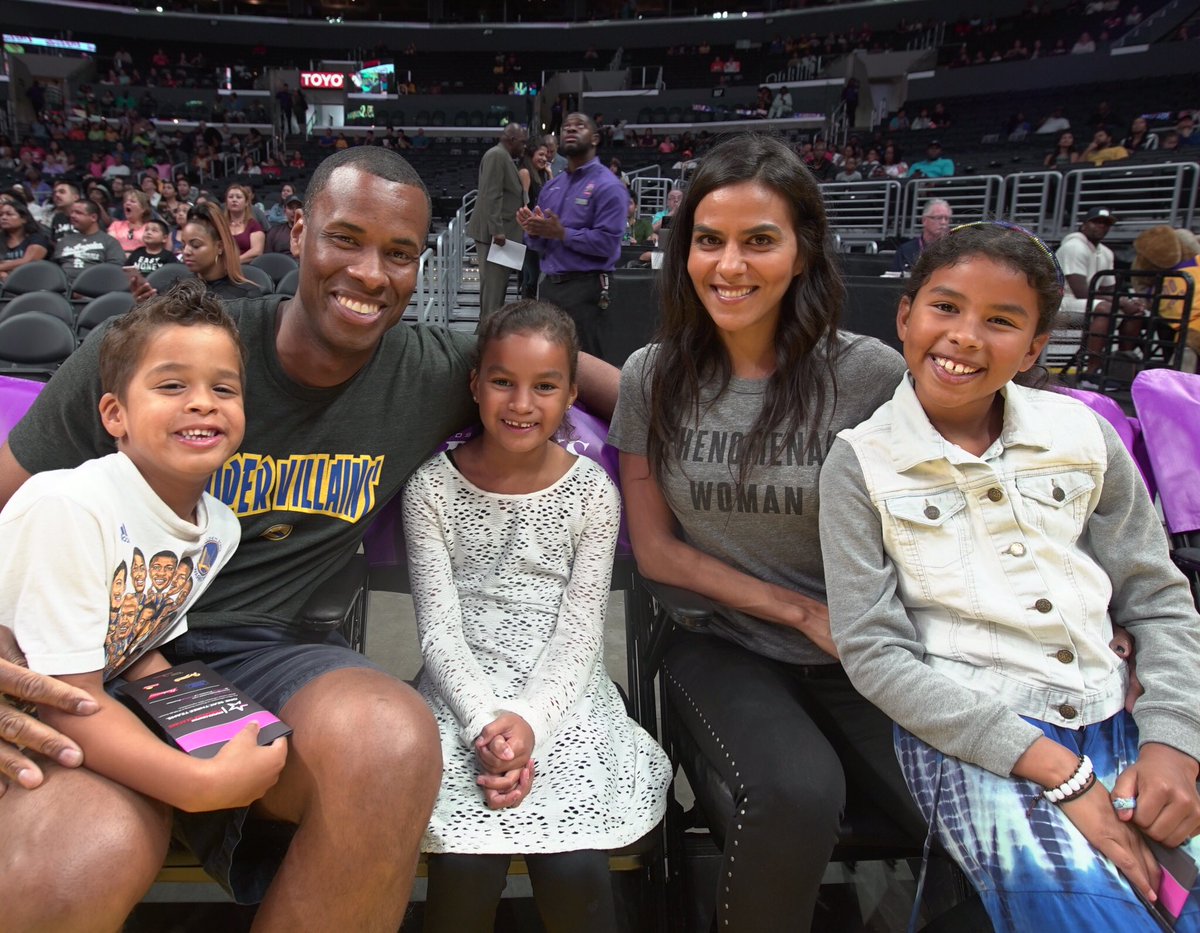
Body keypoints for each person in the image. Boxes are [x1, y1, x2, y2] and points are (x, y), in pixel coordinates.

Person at [0, 145, 618, 933]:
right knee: (84, 854)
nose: (370, 273)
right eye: (347, 239)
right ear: (297, 231)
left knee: (394, 742)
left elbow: (563, 368)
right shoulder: (158, 357)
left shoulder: (431, 370)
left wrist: (679, 416)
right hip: (97, 650)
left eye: (399, 254)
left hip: (269, 656)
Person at [821, 221, 1200, 931]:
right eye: (946, 307)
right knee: (1101, 917)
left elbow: (1159, 600)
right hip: (982, 727)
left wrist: (1174, 738)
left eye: (1000, 321)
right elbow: (874, 652)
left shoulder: (1085, 435)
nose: (965, 335)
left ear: (1032, 348)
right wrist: (1060, 768)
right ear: (905, 316)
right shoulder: (861, 462)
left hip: (1121, 708)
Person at [607, 133, 924, 932]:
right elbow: (658, 551)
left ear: (803, 248)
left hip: (868, 650)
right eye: (708, 241)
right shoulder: (654, 374)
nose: (729, 265)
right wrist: (798, 611)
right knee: (796, 791)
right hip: (723, 643)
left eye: (759, 241)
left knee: (974, 815)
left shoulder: (871, 374)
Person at [406, 300, 670, 933]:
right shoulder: (430, 490)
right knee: (465, 862)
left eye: (544, 386)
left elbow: (580, 633)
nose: (521, 403)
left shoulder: (591, 493)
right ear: (475, 384)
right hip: (459, 694)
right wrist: (485, 723)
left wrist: (525, 721)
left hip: (564, 694)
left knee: (575, 866)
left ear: (572, 394)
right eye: (503, 381)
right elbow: (439, 632)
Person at [0, 276, 286, 818]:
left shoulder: (220, 527)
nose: (203, 403)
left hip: (71, 707)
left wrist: (221, 722)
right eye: (172, 386)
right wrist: (196, 784)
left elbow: (139, 647)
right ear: (115, 415)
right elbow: (65, 700)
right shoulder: (72, 507)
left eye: (223, 389)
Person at [518, 113, 626, 359]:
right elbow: (539, 244)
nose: (570, 130)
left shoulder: (609, 186)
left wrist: (562, 233)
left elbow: (608, 245)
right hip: (550, 288)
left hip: (586, 290)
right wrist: (533, 230)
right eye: (566, 127)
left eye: (579, 126)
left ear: (595, 138)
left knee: (585, 370)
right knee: (547, 362)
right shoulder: (551, 187)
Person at [467, 123, 527, 327]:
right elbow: (491, 195)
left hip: (503, 233)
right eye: (522, 142)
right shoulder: (497, 155)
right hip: (496, 236)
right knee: (493, 294)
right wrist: (498, 231)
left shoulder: (503, 156)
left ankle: (486, 337)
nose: (524, 146)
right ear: (512, 140)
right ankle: (484, 341)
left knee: (496, 292)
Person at [179, 202, 263, 301]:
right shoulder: (180, 290)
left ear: (220, 247)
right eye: (183, 245)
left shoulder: (247, 296)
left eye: (195, 245)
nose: (186, 251)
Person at [53, 199, 125, 289]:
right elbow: (54, 269)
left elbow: (114, 271)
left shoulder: (109, 242)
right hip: (64, 292)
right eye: (72, 212)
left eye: (78, 213)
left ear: (93, 217)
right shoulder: (64, 241)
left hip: (96, 291)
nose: (72, 216)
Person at [518, 143, 552, 299]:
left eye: (546, 155)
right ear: (530, 155)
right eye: (540, 154)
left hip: (538, 230)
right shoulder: (525, 172)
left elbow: (552, 195)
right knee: (530, 275)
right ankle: (526, 307)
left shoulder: (542, 175)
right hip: (527, 230)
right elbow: (524, 202)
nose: (544, 158)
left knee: (535, 274)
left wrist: (550, 174)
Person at [892, 199, 953, 273]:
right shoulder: (906, 251)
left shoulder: (954, 250)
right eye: (938, 218)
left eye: (946, 219)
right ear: (924, 220)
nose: (943, 222)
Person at [0, 200, 51, 283]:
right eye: (1, 215)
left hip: (34, 283)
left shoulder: (37, 238)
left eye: (9, 214)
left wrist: (2, 266)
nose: (3, 218)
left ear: (24, 219)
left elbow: (29, 262)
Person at [224, 184, 265, 264]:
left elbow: (257, 251)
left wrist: (232, 262)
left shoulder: (253, 225)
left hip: (246, 268)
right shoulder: (220, 225)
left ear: (246, 202)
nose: (234, 200)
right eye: (230, 197)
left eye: (238, 197)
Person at [108, 190, 155, 255]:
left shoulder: (150, 227)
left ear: (143, 209)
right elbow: (110, 245)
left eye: (132, 201)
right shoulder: (116, 225)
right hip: (118, 259)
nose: (127, 203)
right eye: (126, 201)